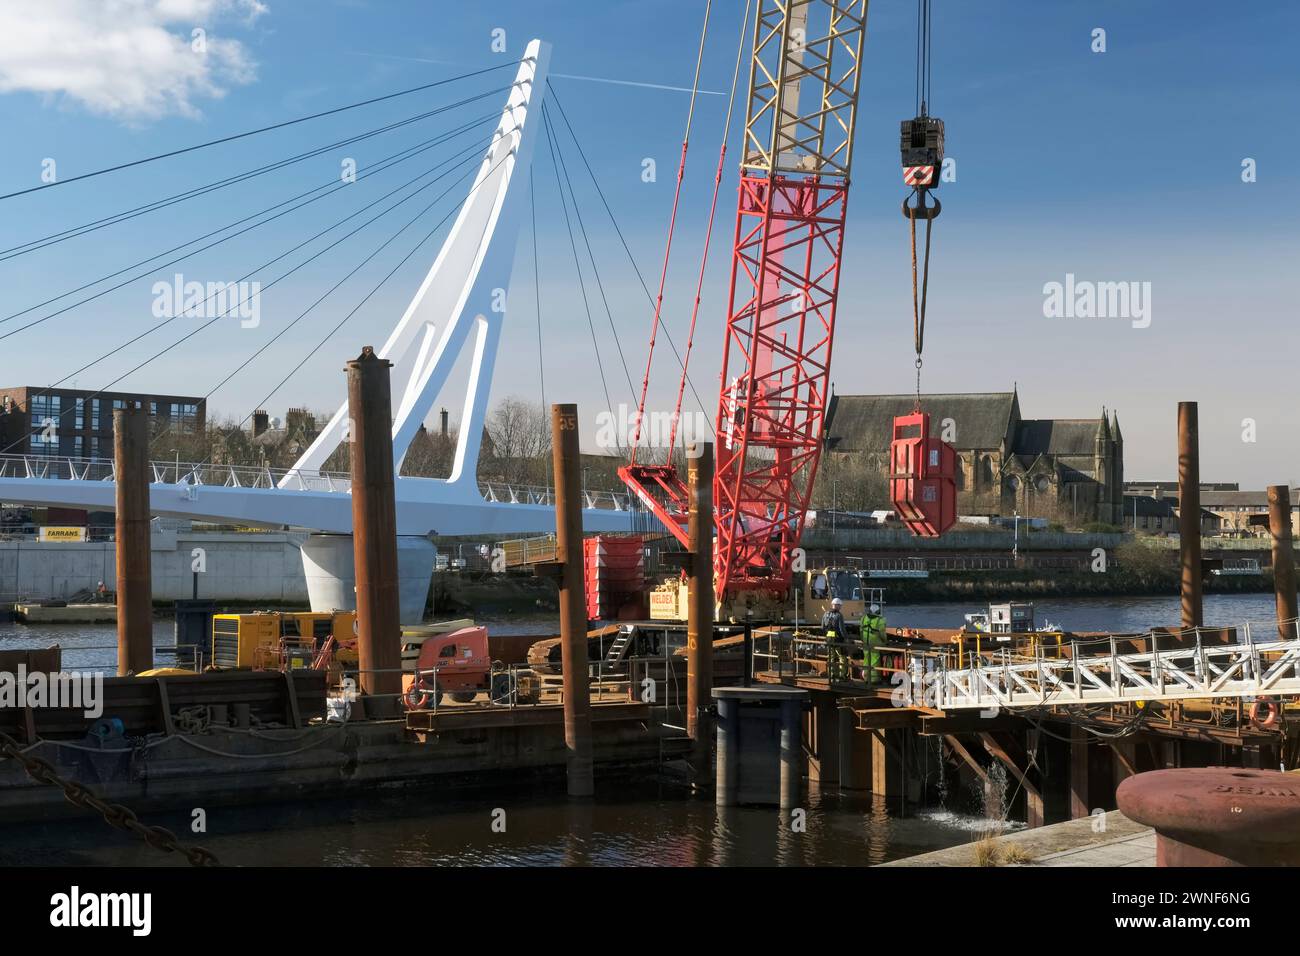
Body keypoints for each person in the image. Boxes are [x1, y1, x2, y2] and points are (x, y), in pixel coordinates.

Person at [822, 598, 849, 681]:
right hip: (837, 639)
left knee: (831, 657)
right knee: (842, 657)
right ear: (836, 605)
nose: (840, 607)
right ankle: (842, 675)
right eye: (840, 605)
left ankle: (832, 674)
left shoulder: (825, 614)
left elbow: (822, 627)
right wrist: (846, 638)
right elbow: (842, 629)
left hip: (828, 639)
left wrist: (826, 636)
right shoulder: (839, 615)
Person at [861, 602, 887, 683]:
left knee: (866, 659)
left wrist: (863, 639)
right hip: (876, 643)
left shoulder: (863, 618)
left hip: (865, 642)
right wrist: (885, 641)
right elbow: (882, 633)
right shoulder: (881, 620)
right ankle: (874, 679)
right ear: (878, 611)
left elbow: (861, 631)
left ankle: (866, 678)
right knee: (875, 660)